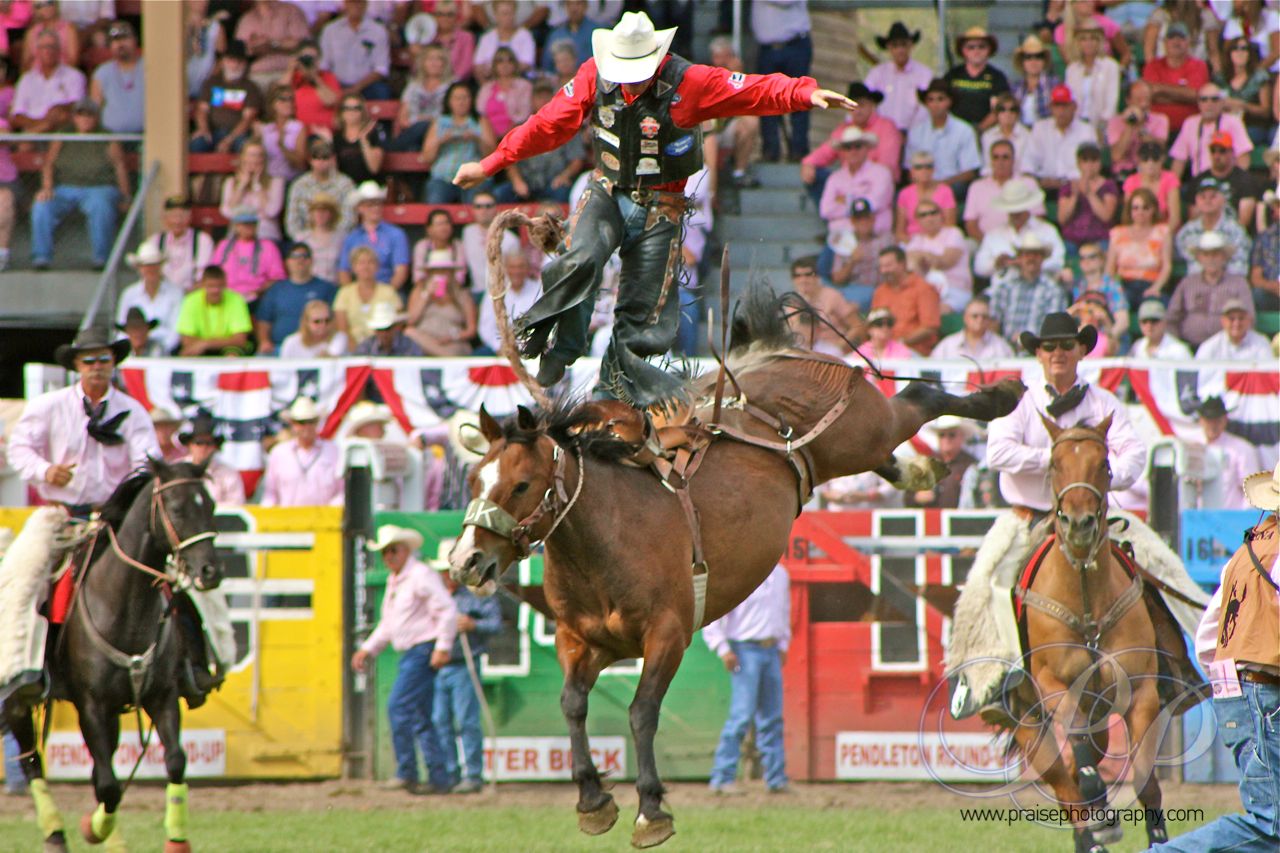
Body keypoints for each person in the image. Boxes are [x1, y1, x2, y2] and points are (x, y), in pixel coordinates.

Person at [451, 10, 855, 406]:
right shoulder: (594, 74)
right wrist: (490, 164)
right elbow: (547, 124)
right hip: (607, 188)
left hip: (662, 204)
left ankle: (613, 391)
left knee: (641, 308)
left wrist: (805, 92)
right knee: (578, 259)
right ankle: (563, 347)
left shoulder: (691, 81)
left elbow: (750, 89)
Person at [1, 327, 161, 701]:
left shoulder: (132, 411)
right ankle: (20, 668)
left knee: (177, 571)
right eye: (89, 361)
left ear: (113, 364)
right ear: (76, 365)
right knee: (20, 579)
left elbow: (147, 462)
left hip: (115, 517)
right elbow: (19, 447)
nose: (97, 367)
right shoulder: (49, 406)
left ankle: (196, 661)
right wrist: (45, 471)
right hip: (60, 515)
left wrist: (124, 497)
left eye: (104, 360)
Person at [1151, 460, 1279, 852]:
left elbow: (1208, 637)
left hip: (1241, 692)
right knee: (1271, 825)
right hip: (1264, 693)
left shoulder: (1247, 551)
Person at [351, 525, 456, 795]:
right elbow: (389, 624)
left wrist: (443, 646)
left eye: (393, 550)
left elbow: (446, 610)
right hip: (415, 652)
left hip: (421, 650)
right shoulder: (397, 580)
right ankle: (438, 777)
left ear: (406, 550)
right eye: (385, 552)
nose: (388, 556)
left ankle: (407, 771)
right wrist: (368, 649)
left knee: (398, 707)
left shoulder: (420, 576)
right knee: (421, 715)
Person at [703, 563, 791, 796]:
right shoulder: (741, 571)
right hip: (745, 648)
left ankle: (775, 778)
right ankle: (722, 777)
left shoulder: (781, 574)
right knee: (742, 717)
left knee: (771, 717)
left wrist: (783, 643)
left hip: (769, 648)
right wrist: (723, 649)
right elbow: (714, 616)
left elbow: (783, 610)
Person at [29, 99, 128, 270]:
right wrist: (47, 187)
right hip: (65, 187)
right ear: (74, 117)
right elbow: (48, 164)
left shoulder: (106, 136)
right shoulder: (63, 134)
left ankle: (102, 258)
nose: (85, 119)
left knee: (100, 205)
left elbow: (119, 166)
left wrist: (125, 195)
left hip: (99, 187)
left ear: (96, 118)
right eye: (81, 115)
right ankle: (41, 257)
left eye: (90, 115)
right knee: (41, 205)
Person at [432, 560, 502, 795]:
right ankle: (450, 774)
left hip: (465, 664)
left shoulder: (475, 595)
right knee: (440, 720)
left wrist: (473, 624)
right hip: (438, 666)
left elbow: (495, 623)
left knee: (466, 721)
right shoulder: (434, 596)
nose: (447, 577)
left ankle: (473, 775)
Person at [802, 81, 903, 199]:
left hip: (875, 185)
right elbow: (823, 153)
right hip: (848, 185)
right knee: (815, 175)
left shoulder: (886, 127)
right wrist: (808, 164)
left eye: (862, 105)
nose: (858, 110)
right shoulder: (844, 129)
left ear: (872, 105)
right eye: (853, 106)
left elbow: (887, 168)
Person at [496, 79, 582, 203]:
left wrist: (564, 176)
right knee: (500, 193)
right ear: (532, 101)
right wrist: (517, 181)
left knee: (564, 192)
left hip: (554, 183)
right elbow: (508, 158)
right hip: (526, 183)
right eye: (539, 97)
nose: (543, 100)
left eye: (547, 96)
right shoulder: (521, 128)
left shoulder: (568, 127)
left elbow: (577, 159)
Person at [1167, 231, 1255, 349]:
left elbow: (1249, 317)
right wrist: (1176, 345)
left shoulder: (1239, 283)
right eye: (1206, 255)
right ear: (1199, 258)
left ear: (1224, 257)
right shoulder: (1187, 283)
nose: (1211, 259)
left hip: (1226, 348)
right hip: (1189, 345)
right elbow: (1172, 317)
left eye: (1215, 254)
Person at [751, 0, 813, 162]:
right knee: (766, 100)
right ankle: (771, 151)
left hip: (795, 44)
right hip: (767, 48)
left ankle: (799, 151)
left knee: (799, 98)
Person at [973, 178, 1066, 280]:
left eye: (1018, 209)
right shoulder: (994, 234)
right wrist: (996, 263)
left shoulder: (1046, 230)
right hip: (1002, 290)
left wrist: (1031, 264)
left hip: (1038, 290)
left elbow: (1058, 261)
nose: (1015, 213)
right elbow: (979, 268)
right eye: (1012, 209)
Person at [985, 233, 1070, 345]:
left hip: (1039, 349)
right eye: (1027, 254)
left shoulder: (1054, 290)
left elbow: (1055, 327)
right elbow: (993, 321)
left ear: (1042, 258)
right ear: (1019, 258)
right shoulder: (1005, 287)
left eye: (1036, 254)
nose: (1031, 258)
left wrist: (1028, 340)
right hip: (1007, 350)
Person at [254, 243, 338, 355]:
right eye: (295, 256)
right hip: (278, 347)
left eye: (305, 256)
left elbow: (335, 320)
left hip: (316, 347)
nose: (300, 260)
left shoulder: (326, 288)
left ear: (311, 260)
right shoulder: (276, 289)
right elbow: (264, 320)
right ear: (287, 262)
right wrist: (264, 341)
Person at [422, 82, 496, 205]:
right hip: (442, 177)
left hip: (472, 176)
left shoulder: (480, 121)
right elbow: (427, 157)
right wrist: (441, 141)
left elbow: (491, 155)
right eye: (456, 98)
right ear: (449, 101)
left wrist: (476, 138)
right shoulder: (439, 122)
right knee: (435, 202)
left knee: (476, 205)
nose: (461, 102)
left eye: (465, 98)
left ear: (471, 100)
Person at [260, 397, 343, 507]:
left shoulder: (334, 451)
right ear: (292, 424)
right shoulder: (279, 453)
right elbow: (270, 495)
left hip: (326, 520)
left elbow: (342, 491)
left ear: (317, 423)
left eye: (311, 422)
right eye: (301, 422)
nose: (306, 427)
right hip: (287, 521)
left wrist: (331, 513)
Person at [903, 79, 981, 193]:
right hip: (921, 189)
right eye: (931, 100)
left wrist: (941, 186)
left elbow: (969, 173)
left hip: (953, 189)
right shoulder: (916, 132)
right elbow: (910, 169)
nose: (935, 104)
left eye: (940, 99)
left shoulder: (964, 130)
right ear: (926, 103)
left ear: (949, 101)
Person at [820, 126, 894, 236]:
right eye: (848, 147)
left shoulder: (881, 173)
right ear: (843, 152)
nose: (853, 151)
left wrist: (844, 201)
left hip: (874, 236)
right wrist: (858, 202)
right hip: (841, 239)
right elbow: (825, 210)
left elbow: (875, 203)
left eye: (858, 146)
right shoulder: (835, 178)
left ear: (867, 148)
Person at [965, 140, 1044, 241]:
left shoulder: (1029, 183)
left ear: (1013, 160)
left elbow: (1039, 218)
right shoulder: (976, 187)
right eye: (996, 157)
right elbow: (971, 225)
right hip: (986, 243)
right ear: (991, 161)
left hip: (1023, 242)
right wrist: (989, 245)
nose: (1000, 162)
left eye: (1005, 157)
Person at [1107, 188, 1173, 310]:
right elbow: (1110, 269)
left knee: (1160, 305)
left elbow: (1167, 266)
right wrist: (1115, 289)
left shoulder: (1162, 232)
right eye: (1135, 208)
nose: (1140, 212)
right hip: (1124, 285)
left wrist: (1156, 288)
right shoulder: (1118, 233)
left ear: (1153, 209)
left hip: (1151, 284)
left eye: (1145, 208)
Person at [192, 40, 262, 154]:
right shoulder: (212, 83)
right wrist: (203, 129)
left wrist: (229, 140)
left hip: (238, 135)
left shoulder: (250, 87)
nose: (234, 65)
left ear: (244, 64)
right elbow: (201, 110)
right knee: (197, 144)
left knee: (245, 146)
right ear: (223, 61)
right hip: (213, 132)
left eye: (239, 62)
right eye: (230, 60)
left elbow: (248, 118)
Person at [1023, 86, 1097, 194]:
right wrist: (1039, 180)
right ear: (1050, 108)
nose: (1061, 111)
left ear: (1074, 107)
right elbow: (1028, 161)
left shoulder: (1087, 130)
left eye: (1065, 106)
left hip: (1075, 188)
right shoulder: (1040, 128)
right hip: (1043, 188)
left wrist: (1063, 182)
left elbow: (1091, 167)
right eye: (1057, 106)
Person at [1169, 84, 1253, 179]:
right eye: (1204, 99)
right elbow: (1179, 160)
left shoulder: (1233, 122)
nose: (1209, 104)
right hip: (1199, 183)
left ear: (1222, 102)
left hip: (1225, 180)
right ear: (1198, 103)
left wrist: (1236, 183)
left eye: (1214, 99)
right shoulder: (1190, 123)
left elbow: (1243, 158)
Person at [337, 182, 410, 290]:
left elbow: (401, 271)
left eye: (378, 204)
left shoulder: (396, 234)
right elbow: (344, 272)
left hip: (388, 290)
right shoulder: (351, 238)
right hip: (359, 291)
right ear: (359, 208)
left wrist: (386, 294)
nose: (376, 208)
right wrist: (352, 296)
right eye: (370, 205)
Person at [1175, 175, 1252, 278]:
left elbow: (1239, 268)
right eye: (1203, 197)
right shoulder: (1186, 232)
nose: (1207, 200)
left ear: (1223, 200)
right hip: (1195, 287)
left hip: (1228, 288)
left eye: (1213, 196)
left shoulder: (1236, 231)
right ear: (1197, 201)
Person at [1142, 22, 1210, 135]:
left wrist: (1160, 89)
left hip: (1190, 131)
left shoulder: (1199, 65)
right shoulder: (1152, 66)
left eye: (1181, 38)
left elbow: (1195, 95)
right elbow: (1149, 94)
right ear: (1164, 42)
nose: (1176, 42)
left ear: (1188, 42)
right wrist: (1183, 95)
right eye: (1171, 38)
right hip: (1156, 131)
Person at [786, 255, 862, 356]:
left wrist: (838, 346)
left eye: (808, 275)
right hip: (803, 354)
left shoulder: (832, 296)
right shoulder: (792, 302)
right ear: (793, 279)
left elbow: (857, 326)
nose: (803, 280)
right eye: (798, 276)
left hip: (832, 353)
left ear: (817, 276)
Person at [10, 30, 85, 133]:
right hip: (31, 131)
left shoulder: (74, 76)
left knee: (63, 115)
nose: (48, 51)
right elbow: (17, 115)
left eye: (52, 47)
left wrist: (59, 109)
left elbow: (78, 106)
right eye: (44, 47)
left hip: (61, 132)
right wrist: (41, 124)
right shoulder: (26, 79)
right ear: (37, 51)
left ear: (59, 50)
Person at [1192, 396, 1260, 510]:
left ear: (1225, 420)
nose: (1213, 425)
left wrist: (1241, 522)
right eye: (1209, 420)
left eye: (1217, 421)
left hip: (1229, 520)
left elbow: (1252, 492)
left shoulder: (1241, 449)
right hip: (1197, 520)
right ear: (1201, 420)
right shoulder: (1191, 448)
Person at [870, 246, 940, 355]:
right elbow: (874, 323)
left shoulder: (923, 288)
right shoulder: (880, 291)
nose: (884, 271)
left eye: (888, 266)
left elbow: (930, 327)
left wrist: (899, 343)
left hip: (913, 352)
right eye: (881, 267)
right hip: (882, 351)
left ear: (902, 264)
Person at [905, 199, 971, 314]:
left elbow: (945, 261)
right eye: (923, 215)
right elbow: (911, 266)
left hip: (955, 289)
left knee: (934, 311)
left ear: (941, 215)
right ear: (918, 220)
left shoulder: (953, 233)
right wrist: (927, 258)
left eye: (933, 213)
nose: (929, 218)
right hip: (927, 292)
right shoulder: (916, 239)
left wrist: (923, 257)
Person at [864, 21, 932, 132]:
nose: (900, 50)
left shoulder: (924, 74)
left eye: (903, 45)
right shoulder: (877, 74)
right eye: (895, 45)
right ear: (889, 48)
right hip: (882, 134)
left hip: (915, 133)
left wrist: (913, 132)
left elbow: (926, 107)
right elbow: (864, 101)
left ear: (911, 45)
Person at [406, 248, 476, 356]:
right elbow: (410, 321)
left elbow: (471, 330)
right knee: (409, 333)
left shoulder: (462, 295)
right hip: (425, 341)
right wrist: (426, 295)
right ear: (429, 273)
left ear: (451, 272)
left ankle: (446, 357)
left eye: (444, 270)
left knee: (456, 351)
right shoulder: (419, 291)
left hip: (452, 342)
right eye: (436, 271)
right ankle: (446, 358)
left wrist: (453, 337)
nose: (440, 274)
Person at [116, 243, 183, 354]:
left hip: (165, 350)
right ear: (139, 268)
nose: (150, 269)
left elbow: (175, 331)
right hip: (133, 350)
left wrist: (161, 351)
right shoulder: (129, 294)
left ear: (160, 266)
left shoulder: (175, 293)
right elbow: (122, 328)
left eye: (154, 265)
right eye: (146, 265)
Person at [285, 138, 356, 242]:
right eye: (316, 158)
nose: (321, 162)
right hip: (305, 241)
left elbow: (349, 219)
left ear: (333, 159)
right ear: (310, 160)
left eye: (325, 157)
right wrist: (305, 239)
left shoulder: (345, 184)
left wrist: (331, 238)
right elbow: (292, 221)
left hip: (337, 241)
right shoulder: (299, 185)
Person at [319, 0, 391, 101]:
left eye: (359, 2)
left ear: (366, 4)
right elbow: (324, 64)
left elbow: (381, 68)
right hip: (337, 83)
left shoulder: (378, 30)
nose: (356, 6)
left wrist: (356, 88)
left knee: (381, 91)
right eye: (352, 2)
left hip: (366, 85)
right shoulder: (330, 30)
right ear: (345, 4)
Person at [211, 207, 286, 304]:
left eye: (253, 224)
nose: (249, 227)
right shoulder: (224, 246)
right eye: (245, 224)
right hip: (227, 297)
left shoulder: (268, 246)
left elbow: (277, 278)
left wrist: (258, 292)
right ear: (236, 226)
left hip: (258, 297)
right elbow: (214, 274)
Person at [142, 196, 215, 293]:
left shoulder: (203, 240)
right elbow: (148, 274)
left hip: (192, 295)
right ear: (165, 219)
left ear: (189, 218)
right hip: (163, 296)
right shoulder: (155, 241)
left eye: (182, 216)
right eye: (173, 216)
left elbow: (204, 278)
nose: (177, 221)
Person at [177, 265, 253, 357]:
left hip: (227, 347)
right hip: (200, 346)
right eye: (211, 286)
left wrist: (206, 343)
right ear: (202, 284)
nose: (215, 290)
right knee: (187, 353)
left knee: (232, 354)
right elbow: (187, 339)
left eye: (219, 286)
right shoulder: (190, 301)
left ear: (225, 284)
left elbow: (240, 340)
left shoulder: (236, 299)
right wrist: (202, 345)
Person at [235, 0, 309, 93]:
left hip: (287, 72)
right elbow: (239, 49)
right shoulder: (247, 18)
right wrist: (254, 47)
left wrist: (273, 44)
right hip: (257, 75)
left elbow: (302, 43)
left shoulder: (291, 11)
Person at [1056, 142, 1118, 254]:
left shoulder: (1109, 186)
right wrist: (1074, 196)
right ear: (1079, 163)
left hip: (1100, 239)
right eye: (1085, 160)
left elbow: (1106, 216)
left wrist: (1089, 193)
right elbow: (1062, 218)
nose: (1090, 164)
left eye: (1094, 160)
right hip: (1072, 239)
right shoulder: (1068, 187)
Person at [829, 198, 892, 307]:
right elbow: (837, 279)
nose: (863, 222)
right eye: (858, 219)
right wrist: (852, 261)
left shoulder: (886, 239)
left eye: (866, 218)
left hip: (883, 287)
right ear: (853, 221)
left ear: (873, 219)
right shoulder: (844, 243)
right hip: (854, 289)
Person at [219, 140, 285, 243]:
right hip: (238, 236)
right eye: (251, 155)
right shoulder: (231, 182)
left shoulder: (276, 182)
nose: (255, 159)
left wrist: (257, 185)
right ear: (242, 158)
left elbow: (271, 211)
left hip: (266, 235)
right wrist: (242, 185)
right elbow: (227, 211)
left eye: (259, 155)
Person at [904, 417, 978, 509]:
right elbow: (908, 497)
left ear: (961, 437)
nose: (946, 439)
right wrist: (917, 497)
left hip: (959, 521)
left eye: (952, 435)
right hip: (930, 520)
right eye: (942, 435)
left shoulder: (970, 465)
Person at [944, 26, 1008, 131]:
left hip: (987, 131)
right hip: (954, 131)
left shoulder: (997, 77)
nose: (976, 51)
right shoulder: (952, 75)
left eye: (981, 46)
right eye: (971, 47)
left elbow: (999, 109)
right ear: (963, 50)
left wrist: (979, 129)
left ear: (989, 49)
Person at [1192, 131, 1262, 227]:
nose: (1217, 156)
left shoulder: (1245, 180)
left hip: (1232, 234)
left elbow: (1243, 223)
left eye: (1222, 150)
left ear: (1232, 152)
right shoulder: (1199, 180)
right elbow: (1193, 218)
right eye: (1213, 151)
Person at [177, 410, 245, 507]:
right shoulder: (177, 471)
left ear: (215, 447)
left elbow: (236, 507)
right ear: (189, 445)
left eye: (209, 443)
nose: (204, 448)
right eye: (199, 443)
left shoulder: (228, 474)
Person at [478, 252, 541, 355]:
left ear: (528, 268)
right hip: (499, 347)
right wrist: (499, 346)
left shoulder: (539, 289)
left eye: (521, 266)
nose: (517, 271)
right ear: (505, 269)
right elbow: (485, 327)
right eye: (512, 267)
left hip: (532, 347)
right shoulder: (495, 292)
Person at [1063, 18, 1119, 133]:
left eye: (1093, 39)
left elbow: (1111, 104)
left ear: (1099, 41)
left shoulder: (1110, 66)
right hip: (1075, 126)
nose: (1088, 43)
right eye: (1083, 39)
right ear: (1078, 42)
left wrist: (1101, 127)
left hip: (1102, 126)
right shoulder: (1072, 69)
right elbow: (1070, 101)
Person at [1217, 36, 1275, 148]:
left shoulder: (1260, 77)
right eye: (1235, 48)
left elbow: (1265, 111)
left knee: (1238, 136)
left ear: (1250, 53)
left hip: (1252, 125)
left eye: (1244, 48)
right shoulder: (1220, 78)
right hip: (1225, 123)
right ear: (1229, 53)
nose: (1240, 52)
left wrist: (1243, 106)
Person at [392, 46, 451, 153]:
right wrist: (414, 122)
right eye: (430, 59)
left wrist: (429, 120)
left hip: (439, 131)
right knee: (417, 134)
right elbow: (402, 117)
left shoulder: (451, 86)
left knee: (424, 125)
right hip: (413, 128)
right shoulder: (413, 86)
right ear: (423, 62)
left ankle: (393, 147)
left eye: (439, 59)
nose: (434, 63)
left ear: (444, 63)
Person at [1106, 80, 1170, 178]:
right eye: (1139, 100)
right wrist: (1130, 125)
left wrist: (1140, 126)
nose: (1143, 104)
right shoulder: (1115, 122)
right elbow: (1117, 156)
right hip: (1123, 173)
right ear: (1128, 100)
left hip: (1150, 172)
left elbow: (1159, 150)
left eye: (1146, 99)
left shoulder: (1161, 119)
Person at [89, 20, 143, 134]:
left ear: (135, 40)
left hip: (146, 137)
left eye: (125, 38)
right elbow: (94, 109)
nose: (120, 44)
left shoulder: (149, 68)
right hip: (112, 139)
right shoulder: (102, 72)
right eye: (116, 40)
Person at [461, 191, 518, 297]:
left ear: (496, 209)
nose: (484, 210)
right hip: (475, 292)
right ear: (473, 209)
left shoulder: (510, 239)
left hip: (502, 293)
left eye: (488, 206)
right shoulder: (467, 232)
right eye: (479, 206)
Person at [280, 40, 341, 135]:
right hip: (298, 133)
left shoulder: (327, 77)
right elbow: (279, 94)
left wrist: (315, 78)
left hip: (323, 132)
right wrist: (290, 69)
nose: (308, 61)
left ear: (319, 60)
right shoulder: (293, 77)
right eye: (305, 57)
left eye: (313, 58)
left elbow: (331, 101)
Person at [896, 150, 956, 241]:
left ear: (933, 170)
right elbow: (900, 231)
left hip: (940, 240)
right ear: (912, 171)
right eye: (918, 167)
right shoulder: (904, 194)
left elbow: (950, 225)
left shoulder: (945, 191)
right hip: (912, 241)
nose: (924, 170)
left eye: (928, 167)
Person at [1071, 241, 1130, 333]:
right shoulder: (1076, 286)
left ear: (1101, 260)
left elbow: (1123, 321)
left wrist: (1109, 340)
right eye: (1082, 258)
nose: (1086, 261)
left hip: (1107, 336)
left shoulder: (1112, 285)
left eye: (1092, 257)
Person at [931, 296, 1014, 360]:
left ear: (989, 320)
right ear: (965, 318)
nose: (980, 320)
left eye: (984, 317)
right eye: (975, 316)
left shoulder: (1001, 346)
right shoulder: (947, 345)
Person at [473, 0, 535, 82]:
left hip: (519, 81)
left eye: (511, 13)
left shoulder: (525, 35)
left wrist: (502, 72)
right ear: (495, 15)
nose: (508, 17)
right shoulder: (487, 37)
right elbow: (478, 66)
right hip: (490, 82)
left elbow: (526, 64)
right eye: (504, 14)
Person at [332, 94, 387, 186]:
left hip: (370, 185)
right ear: (341, 112)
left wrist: (364, 140)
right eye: (347, 108)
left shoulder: (373, 135)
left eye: (356, 108)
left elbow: (374, 168)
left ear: (362, 111)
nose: (351, 112)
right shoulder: (336, 138)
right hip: (345, 187)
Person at [1196, 298, 1273, 361]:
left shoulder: (1261, 343)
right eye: (1231, 319)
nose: (1236, 323)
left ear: (1248, 320)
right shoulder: (1210, 346)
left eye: (1241, 318)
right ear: (1223, 321)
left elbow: (1268, 374)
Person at [258, 84, 307, 183]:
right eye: (282, 99)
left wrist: (282, 147)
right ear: (273, 104)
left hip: (291, 179)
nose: (288, 103)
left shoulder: (298, 127)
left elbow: (301, 163)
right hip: (270, 178)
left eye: (290, 99)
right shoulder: (266, 129)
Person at [1010, 34, 1059, 127]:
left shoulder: (1054, 84)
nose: (1033, 61)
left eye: (1038, 56)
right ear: (1022, 61)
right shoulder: (1015, 87)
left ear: (1044, 60)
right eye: (1028, 57)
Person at [542, 1, 599, 76]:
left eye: (578, 4)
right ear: (565, 7)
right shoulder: (556, 34)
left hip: (590, 80)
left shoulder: (597, 32)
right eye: (570, 4)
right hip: (559, 83)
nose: (574, 8)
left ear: (586, 6)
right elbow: (547, 66)